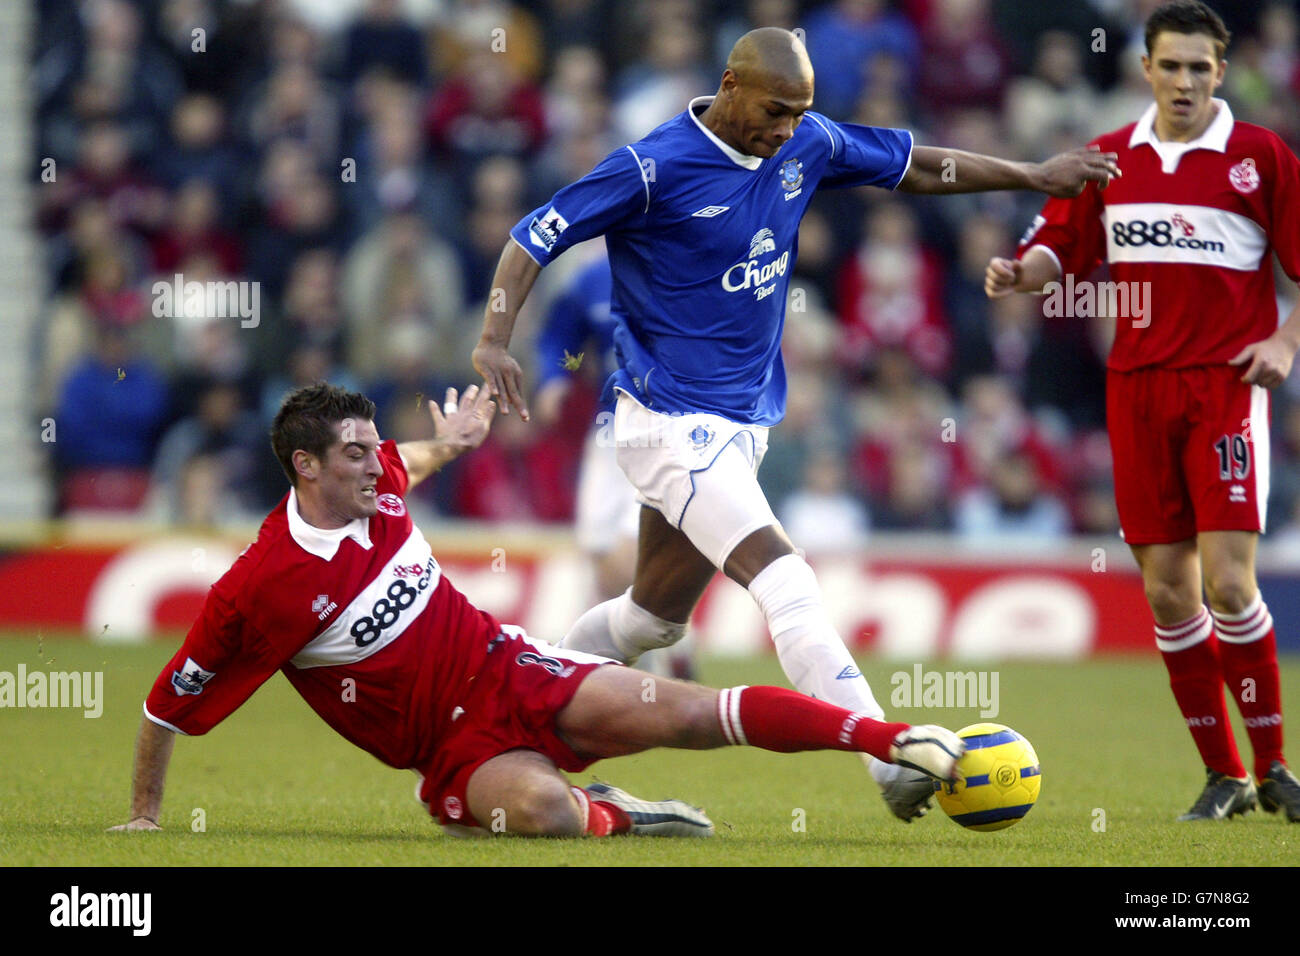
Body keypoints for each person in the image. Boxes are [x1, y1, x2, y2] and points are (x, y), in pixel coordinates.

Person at [472, 26, 1119, 821]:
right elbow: (532, 235)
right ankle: (889, 759)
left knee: (650, 620)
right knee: (787, 580)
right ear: (730, 85)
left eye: (799, 113)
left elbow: (916, 165)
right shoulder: (653, 166)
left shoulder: (805, 141)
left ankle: (525, 709)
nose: (786, 128)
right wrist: (494, 339)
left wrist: (1033, 175)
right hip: (669, 422)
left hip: (739, 426)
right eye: (775, 110)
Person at [111, 382, 965, 838]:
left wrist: (456, 441)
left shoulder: (383, 483)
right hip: (452, 753)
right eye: (356, 455)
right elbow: (165, 704)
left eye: (375, 450)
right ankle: (618, 814)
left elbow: (413, 458)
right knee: (544, 814)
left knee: (692, 714)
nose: (379, 465)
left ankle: (892, 741)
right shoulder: (259, 588)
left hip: (515, 669)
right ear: (306, 467)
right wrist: (147, 817)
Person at [985, 0, 1300, 821]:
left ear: (1220, 73)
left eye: (1200, 68)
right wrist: (1021, 273)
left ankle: (1275, 765)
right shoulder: (1110, 159)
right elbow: (1060, 247)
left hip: (1225, 386)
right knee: (1167, 593)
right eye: (1172, 66)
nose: (1186, 82)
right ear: (1146, 69)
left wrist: (1285, 341)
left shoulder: (1260, 157)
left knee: (1228, 583)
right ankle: (1225, 774)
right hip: (1136, 390)